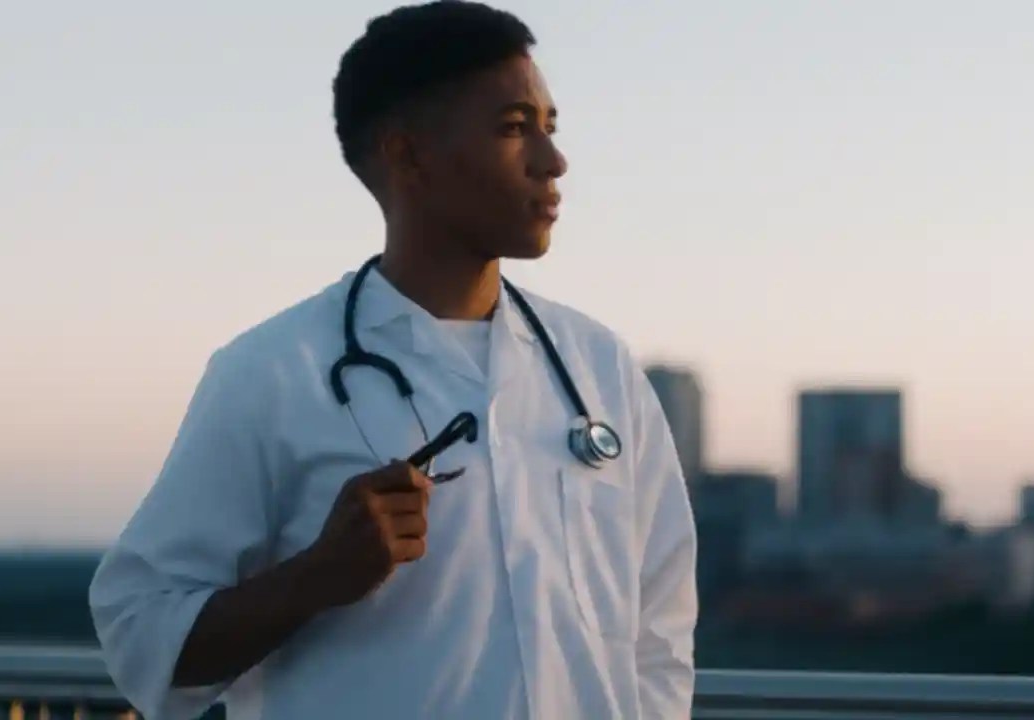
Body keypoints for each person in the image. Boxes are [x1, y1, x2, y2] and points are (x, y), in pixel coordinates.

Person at [88, 2, 698, 718]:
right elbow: (142, 634)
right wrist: (317, 577)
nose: (553, 161)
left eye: (550, 127)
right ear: (409, 156)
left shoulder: (600, 369)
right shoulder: (271, 373)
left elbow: (658, 636)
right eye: (513, 128)